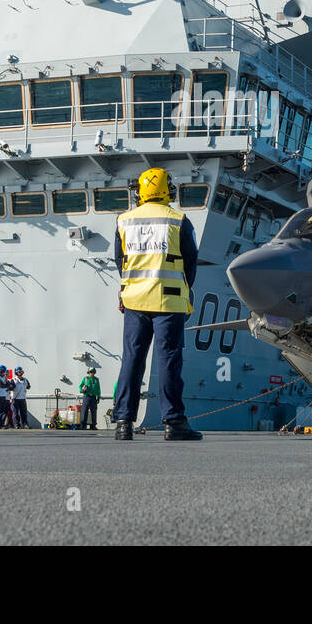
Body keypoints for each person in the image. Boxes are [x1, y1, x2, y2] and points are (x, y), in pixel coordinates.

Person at [112, 167, 201, 441]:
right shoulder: (179, 220)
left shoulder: (124, 221)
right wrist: (183, 290)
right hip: (169, 300)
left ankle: (123, 422)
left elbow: (120, 261)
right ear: (167, 190)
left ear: (141, 191)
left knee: (132, 359)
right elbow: (190, 264)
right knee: (169, 361)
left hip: (134, 300)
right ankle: (173, 422)